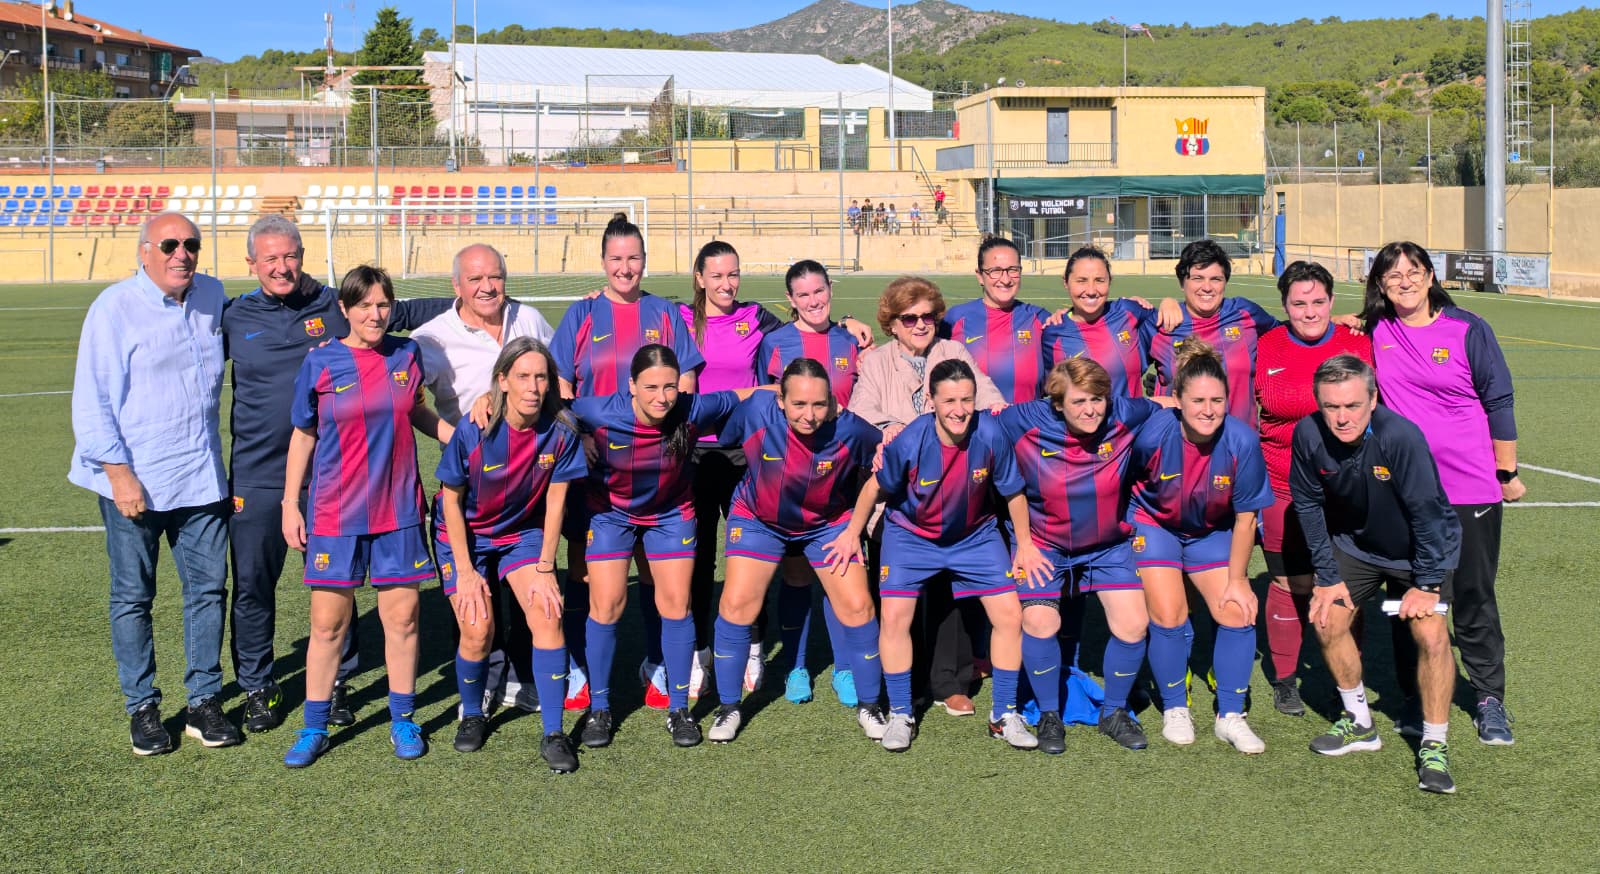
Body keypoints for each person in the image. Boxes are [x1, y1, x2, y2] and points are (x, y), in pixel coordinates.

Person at [222, 214, 450, 734]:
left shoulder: (339, 306)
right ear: (252, 262)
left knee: (359, 610)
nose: (282, 267)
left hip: (352, 484)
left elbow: (409, 318)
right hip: (262, 472)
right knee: (257, 584)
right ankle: (260, 688)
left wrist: (476, 300)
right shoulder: (234, 316)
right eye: (271, 258)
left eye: (290, 256)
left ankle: (345, 688)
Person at [70, 212, 241, 755]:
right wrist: (119, 475)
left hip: (200, 477)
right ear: (144, 251)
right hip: (135, 480)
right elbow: (92, 400)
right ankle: (142, 708)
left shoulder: (212, 294)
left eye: (190, 244)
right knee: (132, 597)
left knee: (208, 591)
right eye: (169, 244)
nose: (181, 253)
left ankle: (203, 703)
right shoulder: (114, 308)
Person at [280, 265, 451, 768]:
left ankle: (403, 719)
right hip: (335, 512)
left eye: (383, 305)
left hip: (398, 508)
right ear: (344, 310)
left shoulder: (407, 354)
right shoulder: (322, 363)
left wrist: (455, 436)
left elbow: (414, 411)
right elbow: (304, 434)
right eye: (364, 306)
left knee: (403, 619)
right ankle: (313, 726)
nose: (375, 315)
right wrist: (292, 503)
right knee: (328, 625)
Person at [1361, 241, 1522, 745]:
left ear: (1431, 277)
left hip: (1470, 486)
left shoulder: (1467, 329)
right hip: (1404, 492)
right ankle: (1414, 697)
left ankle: (1489, 698)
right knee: (1409, 599)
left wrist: (1505, 471)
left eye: (1413, 272)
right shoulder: (1377, 331)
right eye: (1392, 275)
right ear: (1380, 285)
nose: (1404, 281)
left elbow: (1498, 397)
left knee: (1473, 595)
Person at [568, 345, 765, 749]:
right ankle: (600, 709)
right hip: (610, 514)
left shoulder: (691, 409)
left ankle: (679, 710)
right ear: (632, 387)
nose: (662, 397)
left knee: (676, 605)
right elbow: (557, 405)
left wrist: (784, 392)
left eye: (670, 387)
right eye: (651, 387)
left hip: (671, 515)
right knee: (606, 605)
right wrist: (581, 432)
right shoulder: (600, 411)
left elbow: (745, 395)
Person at [547, 213, 706, 713]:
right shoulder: (582, 314)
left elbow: (687, 383)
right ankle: (579, 668)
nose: (625, 267)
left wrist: (673, 436)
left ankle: (657, 660)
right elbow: (562, 390)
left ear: (644, 261)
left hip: (659, 469)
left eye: (633, 257)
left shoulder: (664, 312)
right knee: (584, 572)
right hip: (595, 468)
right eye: (616, 258)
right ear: (603, 262)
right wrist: (579, 437)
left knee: (656, 572)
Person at [848, 360, 1042, 752]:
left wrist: (1024, 544)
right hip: (911, 537)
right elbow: (875, 489)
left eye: (967, 399)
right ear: (931, 402)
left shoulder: (990, 433)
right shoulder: (912, 440)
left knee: (1009, 615)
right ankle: (901, 713)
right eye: (949, 400)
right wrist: (852, 535)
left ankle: (1003, 714)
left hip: (975, 536)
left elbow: (1013, 493)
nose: (959, 409)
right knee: (895, 618)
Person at [1292, 354, 1463, 794]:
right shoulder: (1308, 434)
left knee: (1431, 636)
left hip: (1418, 551)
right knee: (1327, 617)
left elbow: (1427, 515)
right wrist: (1327, 577)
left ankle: (1434, 744)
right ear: (1318, 404)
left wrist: (1425, 584)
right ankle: (1359, 722)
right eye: (1331, 407)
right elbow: (1309, 507)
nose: (1342, 417)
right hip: (1357, 546)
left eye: (1351, 405)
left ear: (1373, 400)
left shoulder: (1400, 437)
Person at [702, 359, 887, 744]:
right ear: (780, 400)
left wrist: (855, 529)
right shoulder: (755, 410)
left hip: (829, 523)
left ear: (833, 404)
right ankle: (728, 707)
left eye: (819, 405)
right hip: (758, 519)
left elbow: (882, 462)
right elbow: (726, 438)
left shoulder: (852, 429)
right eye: (799, 404)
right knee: (736, 606)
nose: (809, 415)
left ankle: (870, 705)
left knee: (859, 607)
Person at [411, 243, 555, 717]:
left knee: (526, 584)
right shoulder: (432, 337)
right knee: (475, 595)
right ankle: (483, 685)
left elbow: (556, 378)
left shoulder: (529, 319)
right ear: (456, 286)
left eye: (494, 276)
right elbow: (410, 401)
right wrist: (457, 437)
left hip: (529, 478)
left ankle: (522, 674)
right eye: (475, 280)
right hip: (471, 484)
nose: (487, 287)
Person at [850, 276, 1004, 717]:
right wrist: (889, 430)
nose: (921, 324)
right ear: (892, 323)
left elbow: (987, 397)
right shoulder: (877, 362)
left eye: (928, 316)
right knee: (900, 598)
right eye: (909, 317)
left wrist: (993, 412)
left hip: (955, 494)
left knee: (949, 594)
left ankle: (950, 681)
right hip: (898, 500)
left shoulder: (952, 353)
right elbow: (862, 411)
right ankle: (907, 684)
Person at [996, 358, 1163, 754]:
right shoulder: (1022, 420)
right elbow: (976, 423)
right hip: (1044, 547)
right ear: (1057, 403)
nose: (1091, 410)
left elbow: (1161, 408)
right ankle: (1050, 714)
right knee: (1039, 621)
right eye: (1080, 401)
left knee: (1134, 624)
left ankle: (1114, 711)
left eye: (1098, 399)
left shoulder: (1125, 413)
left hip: (1107, 547)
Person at [434, 338, 585, 771]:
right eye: (522, 376)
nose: (533, 386)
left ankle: (554, 733)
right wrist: (464, 570)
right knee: (478, 628)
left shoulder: (563, 431)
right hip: (464, 535)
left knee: (548, 613)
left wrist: (544, 567)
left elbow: (556, 502)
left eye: (541, 376)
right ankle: (473, 714)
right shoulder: (474, 429)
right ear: (502, 381)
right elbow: (449, 500)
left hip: (522, 534)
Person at [1128, 341, 1274, 753]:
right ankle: (1176, 706)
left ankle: (1231, 715)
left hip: (1211, 531)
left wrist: (1239, 579)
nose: (1208, 409)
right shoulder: (1154, 433)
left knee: (1238, 611)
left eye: (1217, 400)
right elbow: (1125, 479)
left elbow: (1246, 518)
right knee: (1169, 613)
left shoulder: (1242, 442)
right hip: (1155, 525)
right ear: (1177, 400)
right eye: (1197, 400)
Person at [1253, 261, 1372, 716]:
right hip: (1280, 484)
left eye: (1318, 301)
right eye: (1298, 303)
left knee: (1346, 586)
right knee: (1290, 582)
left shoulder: (1355, 343)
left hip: (1346, 487)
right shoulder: (1267, 346)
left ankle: (1347, 680)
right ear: (1284, 306)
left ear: (1331, 302)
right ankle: (1286, 679)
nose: (1309, 312)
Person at [758, 259, 873, 706]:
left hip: (843, 473)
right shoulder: (776, 343)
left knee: (840, 569)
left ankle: (844, 668)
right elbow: (767, 407)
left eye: (819, 291)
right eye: (803, 295)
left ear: (830, 289)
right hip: (793, 477)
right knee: (797, 573)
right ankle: (797, 666)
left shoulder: (852, 340)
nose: (813, 300)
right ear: (790, 300)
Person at [1144, 240, 1279, 427]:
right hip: (1178, 443)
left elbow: (1288, 334)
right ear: (1182, 282)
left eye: (1215, 279)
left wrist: (1331, 321)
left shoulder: (1245, 313)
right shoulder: (1161, 323)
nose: (1207, 287)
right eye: (1197, 278)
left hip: (1239, 445)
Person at [1041, 246, 1163, 400]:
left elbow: (1175, 335)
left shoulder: (1129, 311)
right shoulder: (1052, 333)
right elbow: (1044, 386)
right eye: (1081, 281)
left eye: (1099, 280)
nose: (1091, 290)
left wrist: (1168, 303)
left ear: (1109, 281)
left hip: (1133, 423)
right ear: (1066, 282)